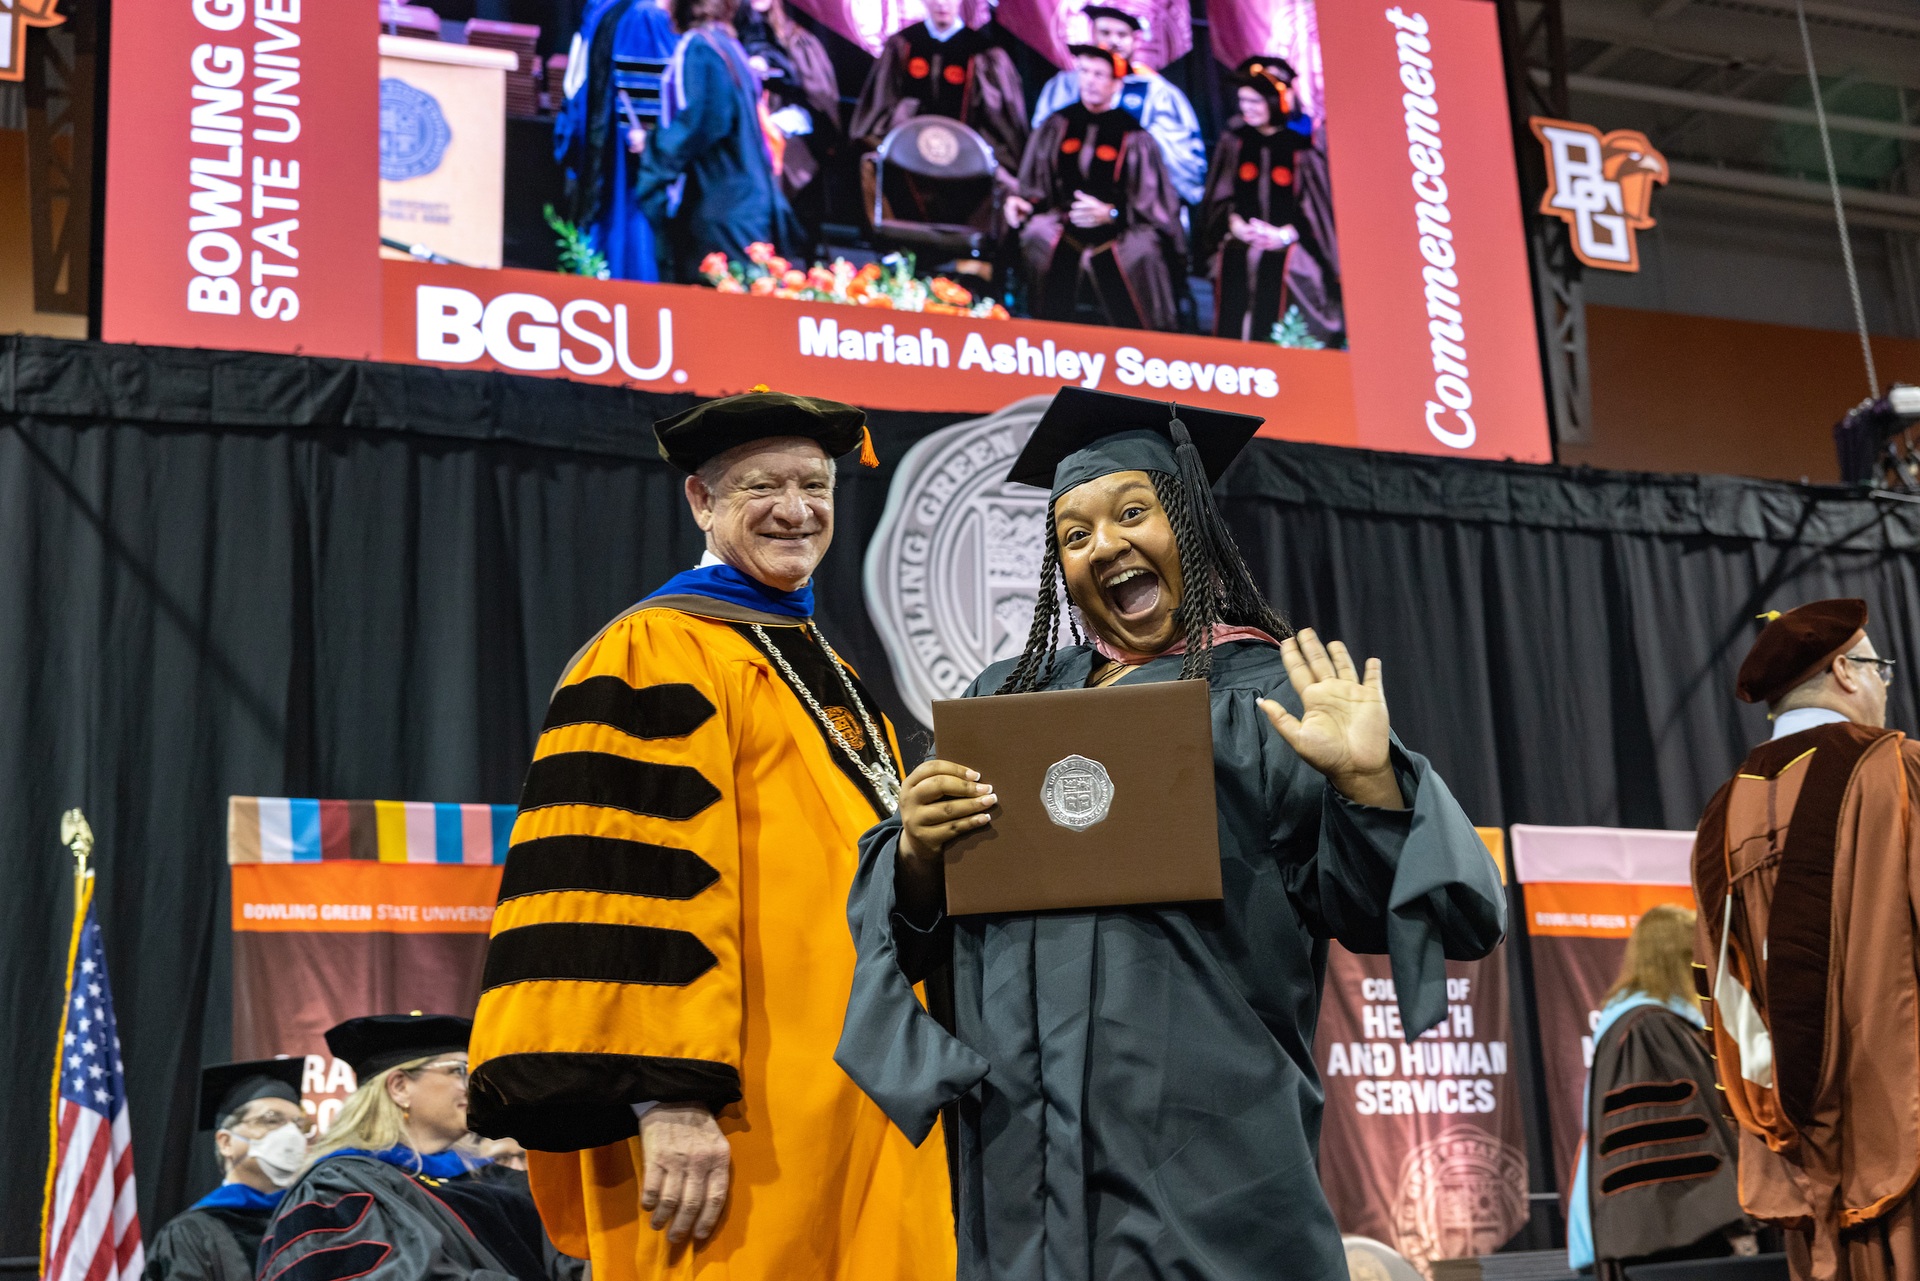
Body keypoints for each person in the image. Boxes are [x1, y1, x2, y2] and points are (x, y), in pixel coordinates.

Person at [837, 386, 1506, 1279]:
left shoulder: (1263, 699)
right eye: (1073, 535)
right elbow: (917, 927)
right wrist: (917, 849)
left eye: (1130, 512)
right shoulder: (1010, 700)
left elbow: (1450, 915)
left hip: (1204, 1176)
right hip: (1021, 1176)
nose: (1103, 544)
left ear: (1186, 523)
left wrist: (1371, 782)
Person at [466, 390, 954, 1281]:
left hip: (864, 1103)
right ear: (701, 501)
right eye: (762, 485)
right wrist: (668, 1098)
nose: (797, 509)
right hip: (737, 1115)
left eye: (816, 483)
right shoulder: (659, 649)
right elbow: (623, 878)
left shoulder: (830, 668)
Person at [1694, 598, 1920, 1281]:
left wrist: (1783, 1117)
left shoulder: (1720, 815)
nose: (1884, 685)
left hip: (1796, 1150)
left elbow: (1724, 994)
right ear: (1847, 671)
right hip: (1906, 1123)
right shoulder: (1895, 769)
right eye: (1878, 666)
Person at [258, 1014, 580, 1281]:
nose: (476, 1086)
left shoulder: (498, 1182)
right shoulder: (336, 1191)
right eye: (459, 1071)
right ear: (399, 1087)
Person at [1566, 906, 1750, 1279]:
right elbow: (1669, 1142)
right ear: (1681, 960)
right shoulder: (1649, 1031)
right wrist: (1733, 1213)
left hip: (1658, 1234)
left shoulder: (1639, 1025)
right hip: (1673, 1236)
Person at [1006, 46, 1185, 330]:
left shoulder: (1134, 135)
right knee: (1037, 234)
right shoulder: (1058, 123)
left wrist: (1112, 214)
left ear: (1117, 84)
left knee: (1142, 252)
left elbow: (1152, 202)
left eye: (1099, 74)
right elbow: (1037, 184)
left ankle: (1142, 343)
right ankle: (1044, 334)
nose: (1089, 81)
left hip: (1120, 227)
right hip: (1064, 221)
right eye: (1085, 72)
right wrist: (1024, 200)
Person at [633, 0, 801, 282]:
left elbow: (700, 124)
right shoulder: (727, 46)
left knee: (718, 313)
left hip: (722, 207)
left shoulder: (700, 47)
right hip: (746, 201)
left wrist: (651, 147)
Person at [1196, 58, 1343, 345]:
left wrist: (1285, 234)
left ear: (1275, 102)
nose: (1246, 109)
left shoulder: (1302, 148)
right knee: (1233, 260)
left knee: (1295, 272)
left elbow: (1317, 212)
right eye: (1243, 101)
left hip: (1292, 243)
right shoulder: (1235, 141)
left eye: (1255, 102)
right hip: (1243, 237)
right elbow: (1219, 196)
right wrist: (1233, 223)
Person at [142, 1059, 309, 1281]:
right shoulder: (191, 1234)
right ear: (226, 1142)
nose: (291, 1135)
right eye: (270, 1120)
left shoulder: (311, 1223)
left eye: (298, 1125)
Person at [1028, 5, 1207, 207]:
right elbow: (1042, 145)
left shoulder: (1157, 92)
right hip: (1067, 200)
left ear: (1134, 40)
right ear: (1092, 35)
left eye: (1122, 35)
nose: (1113, 41)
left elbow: (1179, 159)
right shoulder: (1064, 85)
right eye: (1105, 33)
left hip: (1136, 202)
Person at [553, 0, 680, 281]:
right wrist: (652, 137)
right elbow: (651, 98)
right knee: (633, 244)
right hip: (629, 165)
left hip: (601, 154)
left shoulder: (600, 10)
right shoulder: (644, 16)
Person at [849, 0, 1027, 187]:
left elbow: (1001, 124)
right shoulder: (903, 45)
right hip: (908, 163)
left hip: (967, 171)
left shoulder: (984, 53)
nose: (942, 4)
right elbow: (880, 107)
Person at [735, 0, 841, 249]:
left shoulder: (794, 38)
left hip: (790, 130)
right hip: (741, 131)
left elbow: (820, 100)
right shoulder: (727, 36)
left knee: (780, 161)